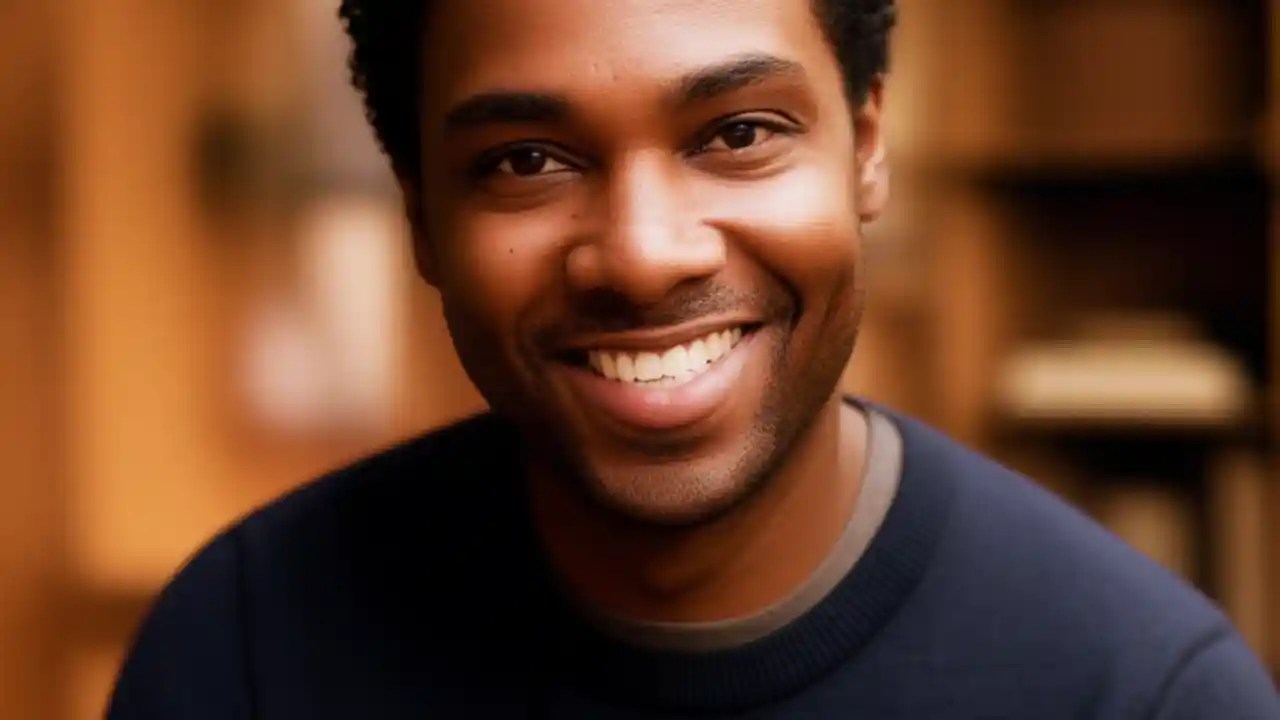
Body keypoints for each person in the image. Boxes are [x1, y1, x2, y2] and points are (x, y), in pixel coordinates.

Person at [108, 0, 1279, 717]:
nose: (641, 255)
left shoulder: (1136, 694)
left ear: (865, 147)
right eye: (525, 159)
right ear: (418, 213)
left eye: (737, 134)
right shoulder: (245, 649)